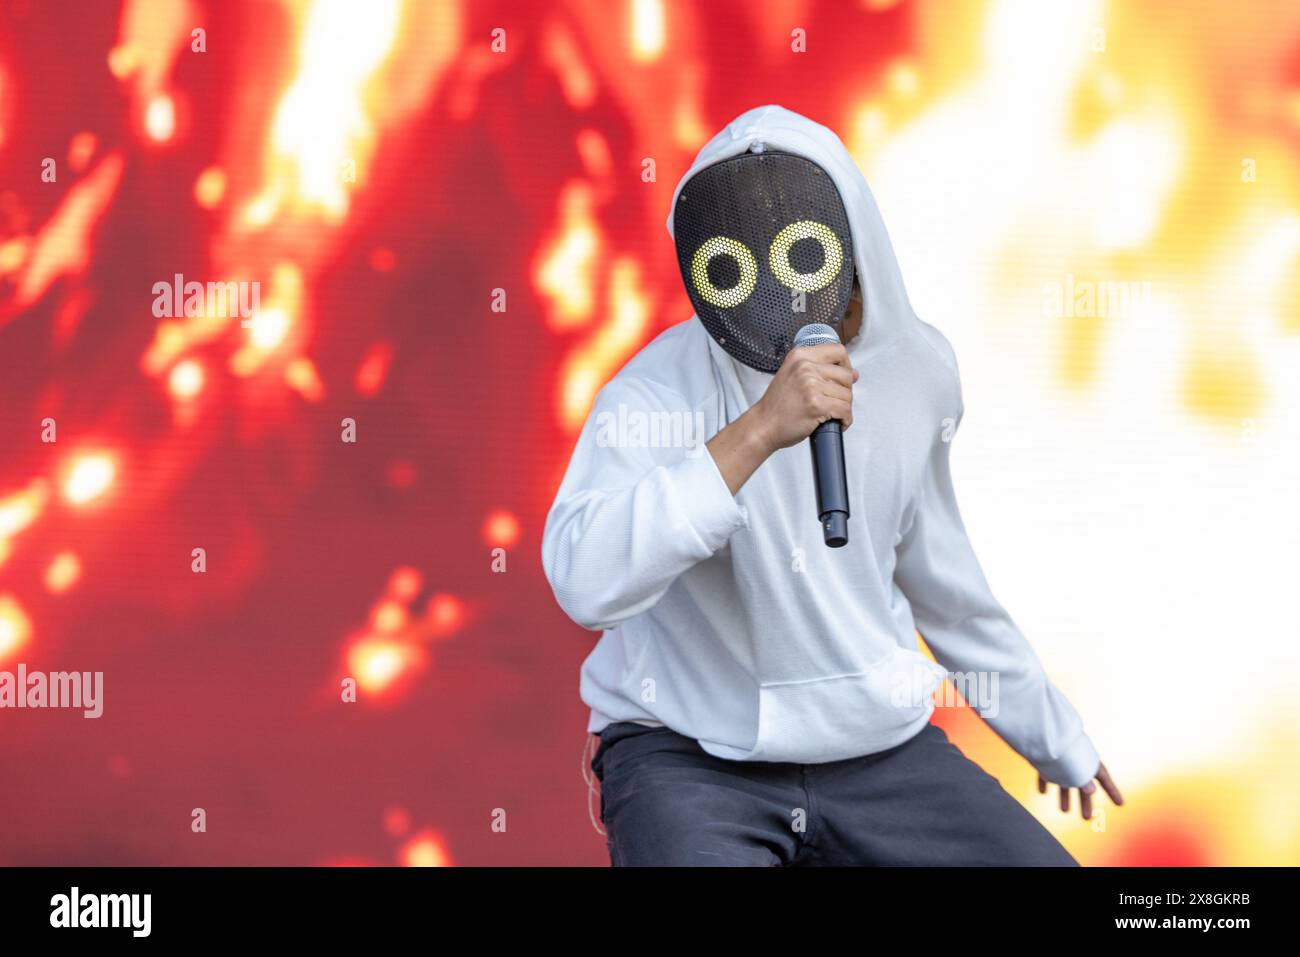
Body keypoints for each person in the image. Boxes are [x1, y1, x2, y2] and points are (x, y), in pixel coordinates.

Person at [542, 105, 1122, 866]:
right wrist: (757, 430)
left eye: (801, 248)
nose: (781, 282)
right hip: (689, 755)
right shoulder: (652, 395)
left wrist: (1053, 736)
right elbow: (585, 583)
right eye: (741, 254)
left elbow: (944, 584)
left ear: (853, 240)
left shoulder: (919, 374)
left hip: (877, 755)